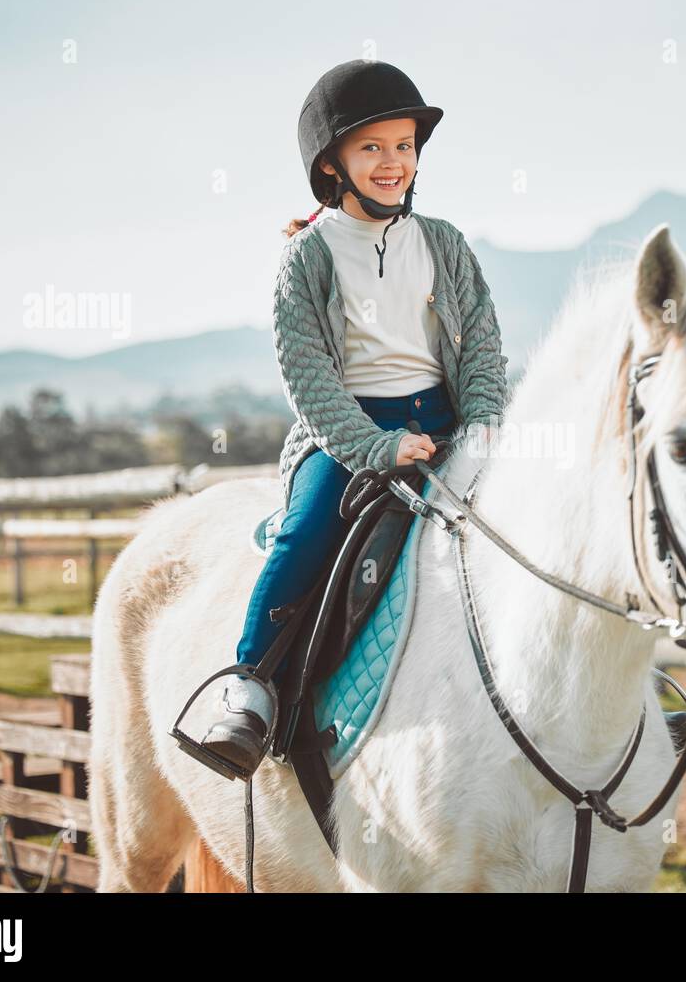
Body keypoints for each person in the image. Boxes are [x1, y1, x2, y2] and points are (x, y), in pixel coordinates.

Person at [196, 59, 509, 779]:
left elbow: (483, 348)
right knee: (306, 531)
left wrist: (486, 423)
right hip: (343, 431)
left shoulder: (445, 243)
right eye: (372, 147)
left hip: (448, 422)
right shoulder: (305, 259)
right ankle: (249, 686)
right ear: (332, 163)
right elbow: (309, 380)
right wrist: (376, 446)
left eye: (403, 145)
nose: (392, 162)